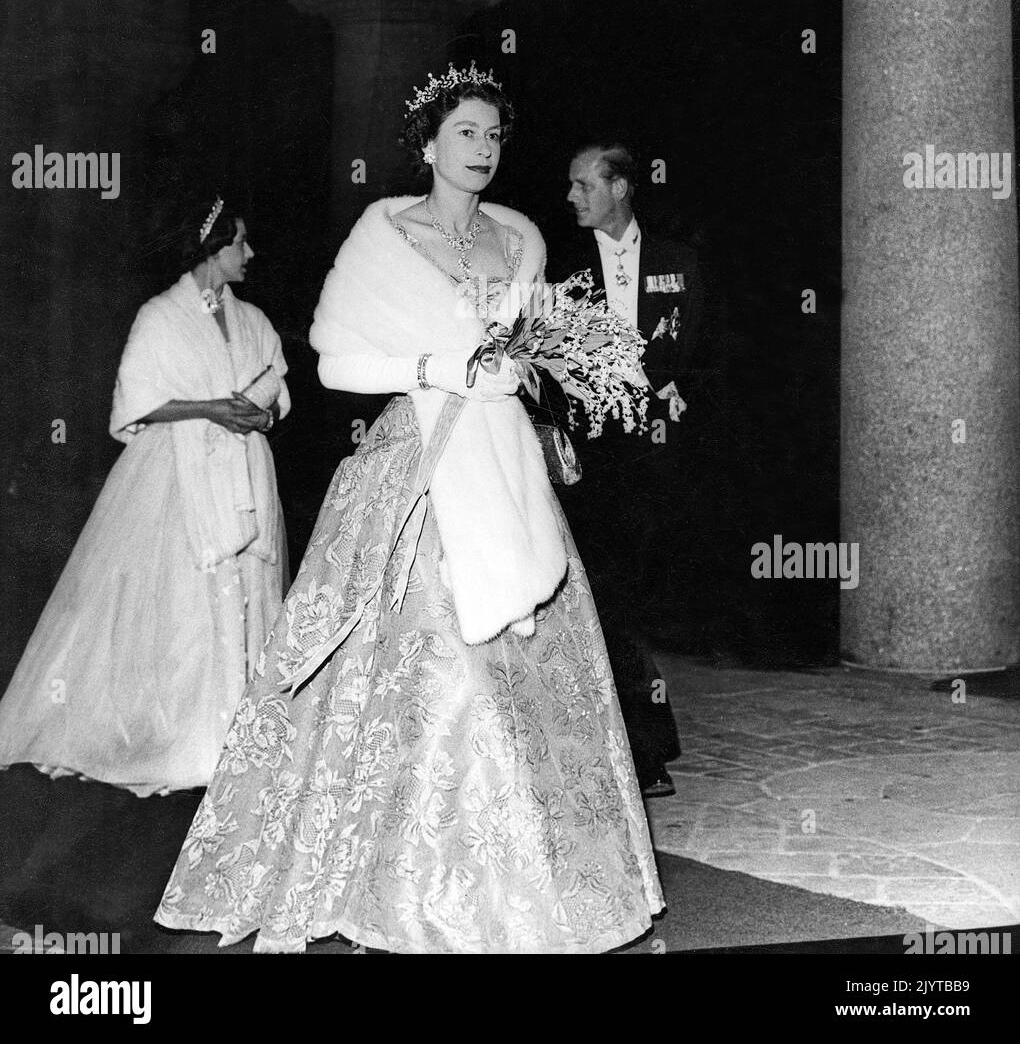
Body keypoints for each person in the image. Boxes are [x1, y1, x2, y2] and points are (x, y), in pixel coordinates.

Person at [154, 64, 664, 954]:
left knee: (526, 666)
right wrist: (435, 370)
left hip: (502, 468)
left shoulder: (525, 239)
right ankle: (422, 880)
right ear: (428, 145)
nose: (482, 149)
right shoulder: (381, 233)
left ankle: (531, 880)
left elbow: (529, 352)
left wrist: (536, 400)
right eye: (465, 133)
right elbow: (333, 364)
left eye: (494, 136)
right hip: (417, 469)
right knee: (439, 665)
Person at [0, 199, 290, 797]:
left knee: (246, 590)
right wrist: (209, 407)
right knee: (186, 601)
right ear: (213, 248)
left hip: (243, 470)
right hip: (176, 473)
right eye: (240, 243)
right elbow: (137, 402)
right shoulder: (159, 316)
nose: (250, 254)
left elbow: (277, 392)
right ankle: (182, 735)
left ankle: (243, 729)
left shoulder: (255, 320)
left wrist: (258, 414)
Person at [545, 141, 703, 797]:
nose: (573, 197)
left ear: (620, 187)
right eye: (572, 185)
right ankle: (642, 750)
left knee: (627, 600)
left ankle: (637, 744)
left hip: (654, 459)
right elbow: (543, 366)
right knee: (604, 598)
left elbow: (695, 360)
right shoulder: (558, 269)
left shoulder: (678, 262)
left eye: (585, 185)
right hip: (588, 463)